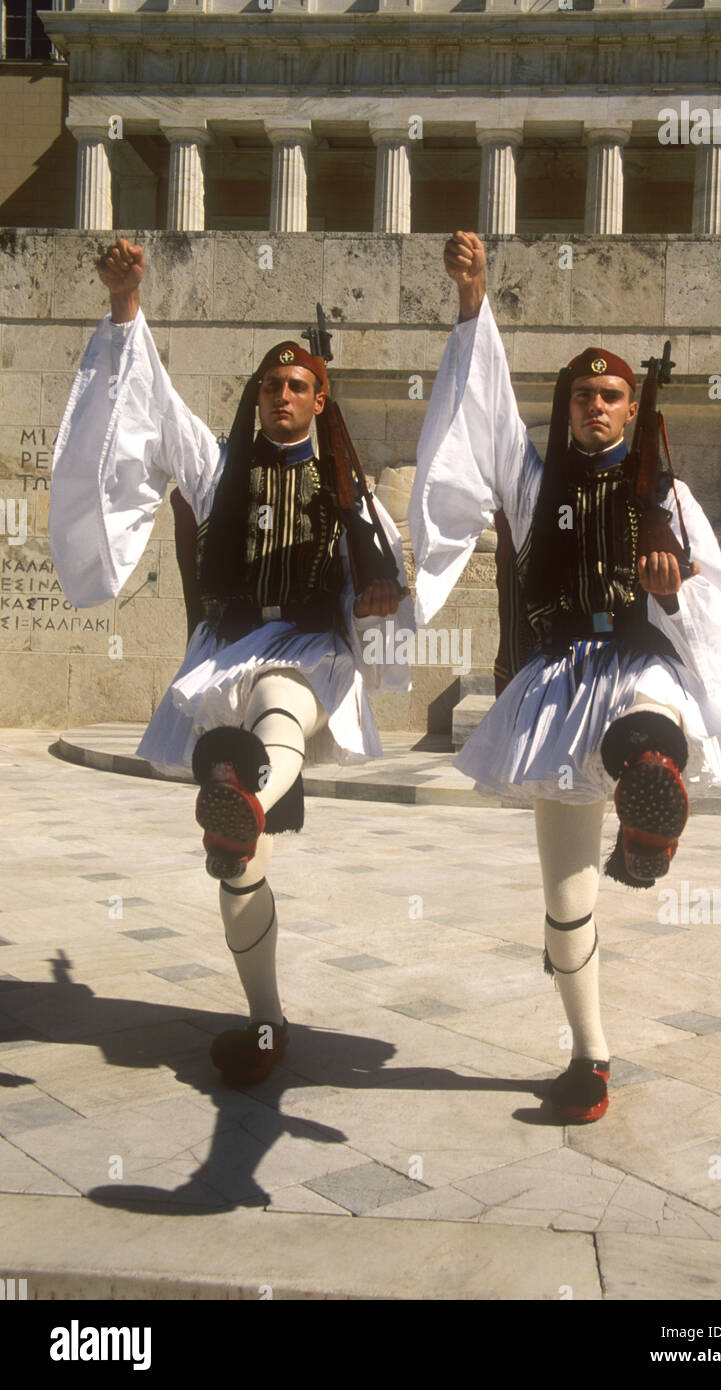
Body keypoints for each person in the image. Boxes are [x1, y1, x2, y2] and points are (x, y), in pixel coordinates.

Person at [408, 231, 721, 1124]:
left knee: (648, 726)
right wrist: (472, 299)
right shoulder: (532, 488)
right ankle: (589, 1056)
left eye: (609, 397)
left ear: (631, 407)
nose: (594, 409)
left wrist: (669, 589)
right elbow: (484, 412)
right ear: (564, 409)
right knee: (565, 907)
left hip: (640, 664)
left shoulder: (668, 498)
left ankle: (647, 818)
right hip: (561, 680)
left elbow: (710, 607)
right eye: (580, 397)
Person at [50, 238, 413, 1086]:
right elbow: (151, 402)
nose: (279, 396)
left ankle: (246, 793)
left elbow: (390, 581)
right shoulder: (220, 471)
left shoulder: (349, 490)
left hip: (310, 656)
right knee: (241, 870)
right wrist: (127, 305)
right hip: (227, 661)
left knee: (283, 698)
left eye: (296, 387)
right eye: (269, 386)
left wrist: (383, 601)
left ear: (320, 400)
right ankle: (264, 1020)